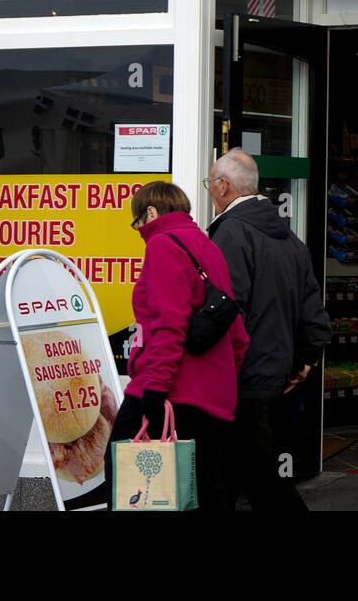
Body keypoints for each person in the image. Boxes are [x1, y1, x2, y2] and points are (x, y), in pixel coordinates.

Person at [104, 181, 249, 510]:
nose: (139, 229)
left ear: (151, 212)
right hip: (214, 397)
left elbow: (169, 325)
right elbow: (236, 332)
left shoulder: (162, 244)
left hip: (171, 392)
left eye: (137, 221)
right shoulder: (207, 246)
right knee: (202, 490)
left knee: (124, 478)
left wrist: (155, 388)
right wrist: (222, 377)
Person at [206, 149, 333, 511]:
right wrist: (307, 357)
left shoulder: (231, 233)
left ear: (224, 186)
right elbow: (312, 305)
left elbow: (227, 308)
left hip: (242, 374)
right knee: (236, 468)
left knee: (257, 473)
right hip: (276, 371)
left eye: (209, 183)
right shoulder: (289, 239)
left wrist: (217, 366)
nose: (209, 190)